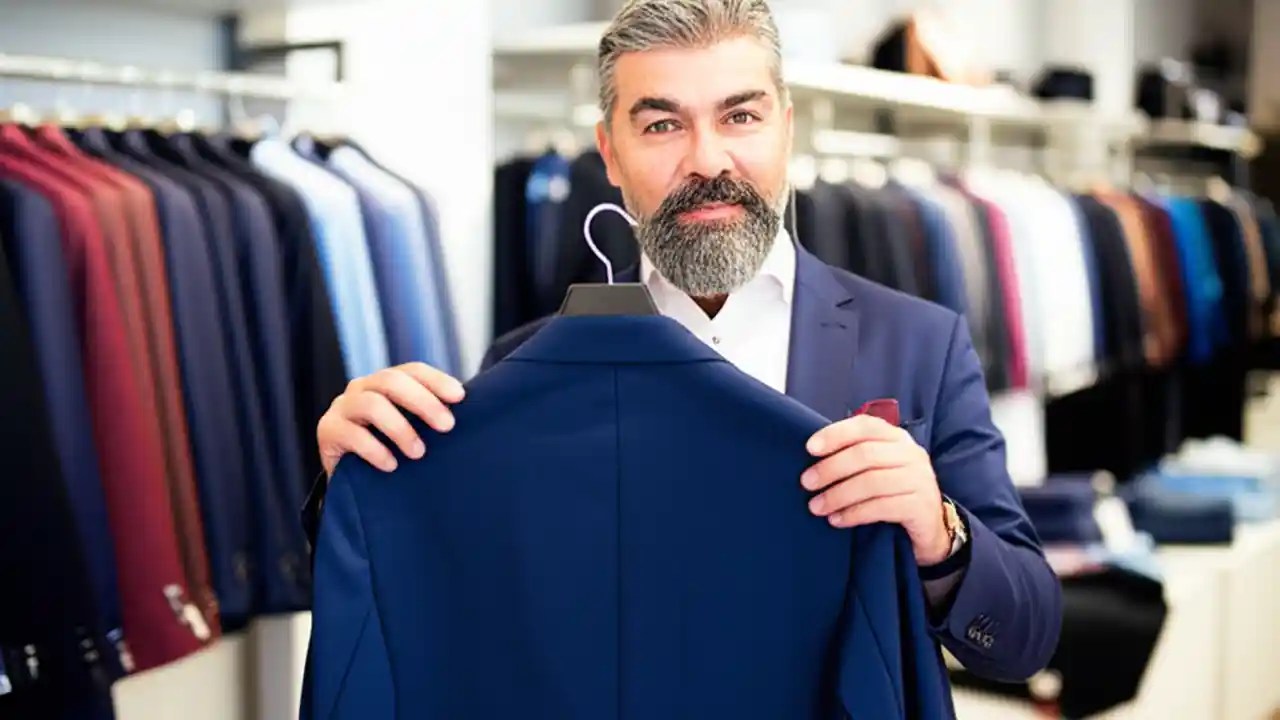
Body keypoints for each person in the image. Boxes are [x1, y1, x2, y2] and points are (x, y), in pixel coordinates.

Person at [306, 0, 1062, 694]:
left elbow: (1025, 636)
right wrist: (363, 482)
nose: (707, 160)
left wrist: (939, 530)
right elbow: (453, 598)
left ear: (787, 128)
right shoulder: (523, 366)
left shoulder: (919, 344)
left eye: (740, 116)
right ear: (609, 151)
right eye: (662, 124)